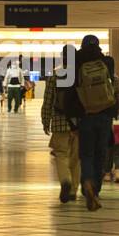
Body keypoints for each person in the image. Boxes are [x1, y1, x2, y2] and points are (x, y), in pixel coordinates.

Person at [63, 34, 117, 211]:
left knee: (86, 154)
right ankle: (96, 189)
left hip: (85, 115)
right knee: (100, 153)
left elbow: (69, 93)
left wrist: (72, 122)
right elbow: (113, 89)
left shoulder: (75, 63)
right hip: (105, 114)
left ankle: (86, 182)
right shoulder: (107, 61)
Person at [41, 45, 80, 204]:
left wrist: (45, 121)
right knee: (76, 158)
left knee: (61, 155)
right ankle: (73, 191)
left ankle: (65, 180)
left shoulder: (55, 76)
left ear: (62, 57)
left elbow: (48, 100)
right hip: (78, 123)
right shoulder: (81, 75)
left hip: (59, 122)